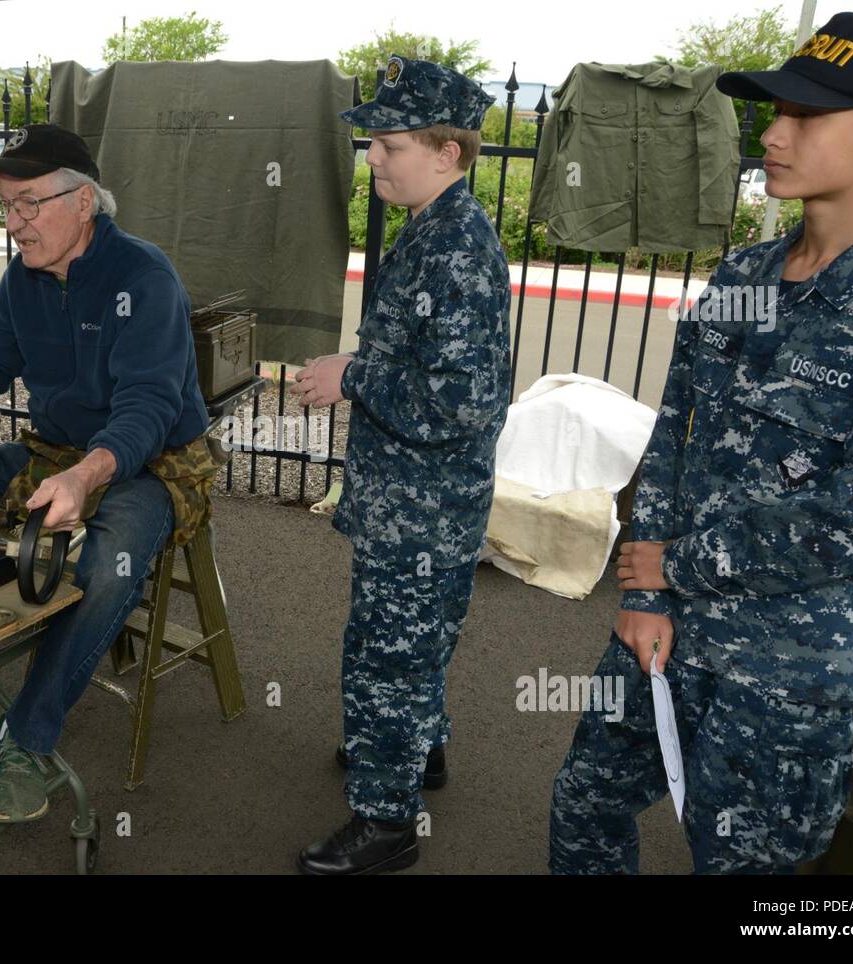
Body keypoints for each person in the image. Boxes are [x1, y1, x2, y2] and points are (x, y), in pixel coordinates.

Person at [550, 12, 853, 874]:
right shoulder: (745, 277)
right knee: (585, 801)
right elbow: (677, 424)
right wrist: (647, 592)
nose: (775, 134)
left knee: (744, 868)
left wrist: (676, 565)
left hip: (787, 668)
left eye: (807, 117)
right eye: (774, 111)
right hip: (663, 624)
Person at [0, 124, 222, 822]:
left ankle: (25, 737)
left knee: (109, 564)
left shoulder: (143, 276)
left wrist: (85, 479)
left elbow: (147, 408)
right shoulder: (23, 278)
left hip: (153, 463)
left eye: (29, 205)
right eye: (6, 207)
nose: (14, 224)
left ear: (83, 203)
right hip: (54, 452)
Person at [290, 55, 511, 874]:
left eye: (390, 143)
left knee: (390, 654)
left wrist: (353, 375)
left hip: (423, 507)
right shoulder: (439, 227)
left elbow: (458, 401)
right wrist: (364, 367)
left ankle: (385, 824)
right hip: (418, 501)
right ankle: (423, 753)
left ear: (448, 151)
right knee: (418, 643)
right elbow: (423, 359)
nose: (374, 158)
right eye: (372, 143)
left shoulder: (454, 247)